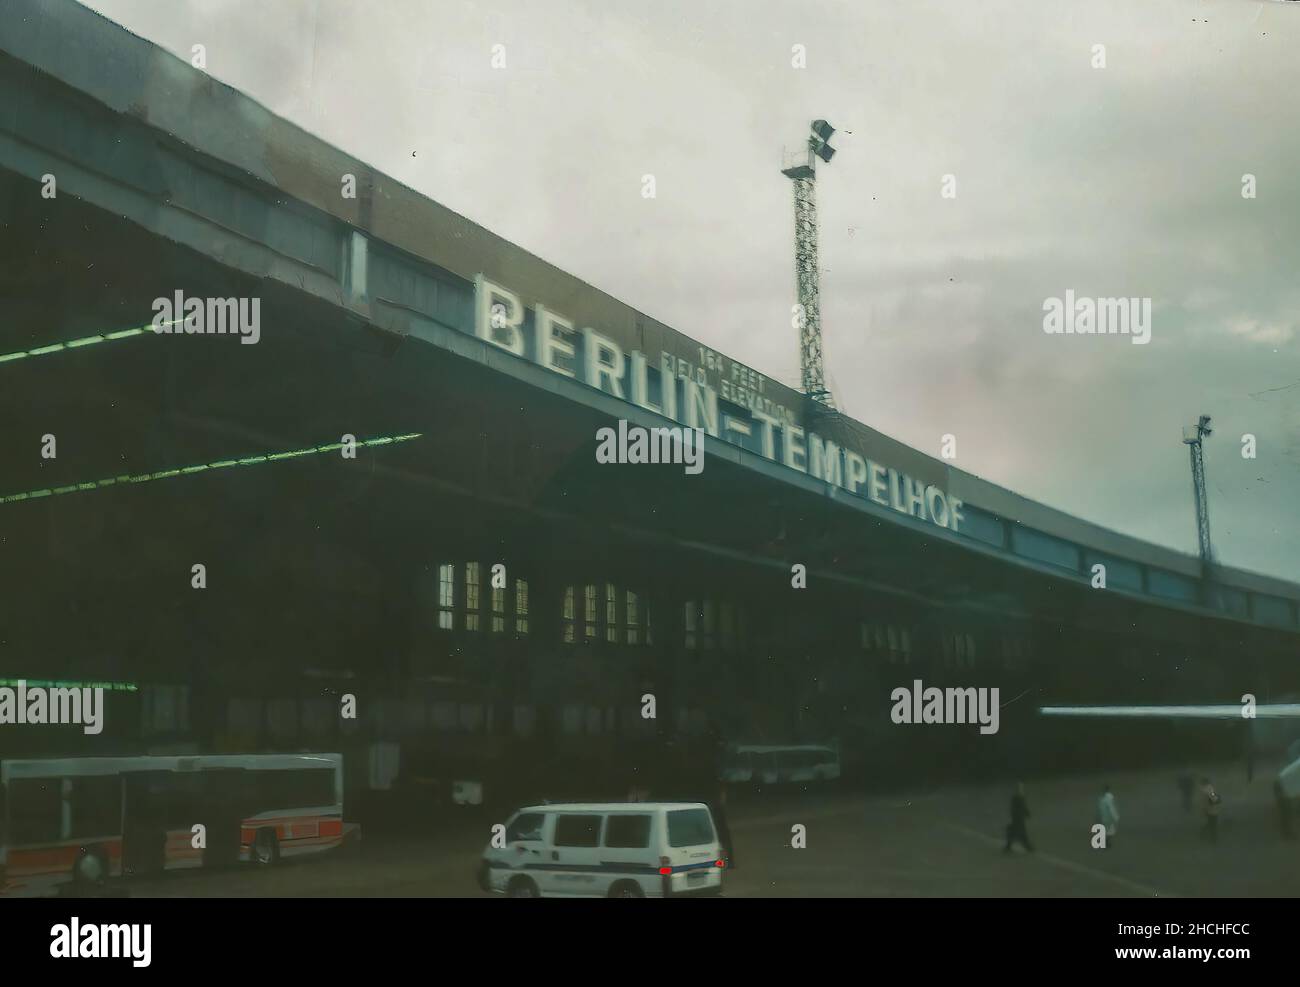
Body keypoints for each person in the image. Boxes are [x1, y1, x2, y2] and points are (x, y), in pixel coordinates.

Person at [1004, 782, 1034, 853]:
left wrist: (1026, 813)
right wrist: (1026, 813)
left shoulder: (1018, 797)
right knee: (1021, 832)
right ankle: (1028, 847)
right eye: (1020, 788)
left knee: (1013, 831)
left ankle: (1008, 846)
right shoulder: (1018, 798)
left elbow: (1021, 807)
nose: (1021, 789)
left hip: (1017, 817)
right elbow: (1021, 807)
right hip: (1018, 818)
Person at [1199, 777, 1220, 843]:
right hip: (1213, 810)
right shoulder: (1210, 789)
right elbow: (1215, 799)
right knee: (1213, 825)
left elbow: (1203, 802)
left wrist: (1203, 809)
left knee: (1210, 823)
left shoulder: (1203, 790)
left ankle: (1203, 833)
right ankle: (1213, 839)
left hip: (1208, 810)